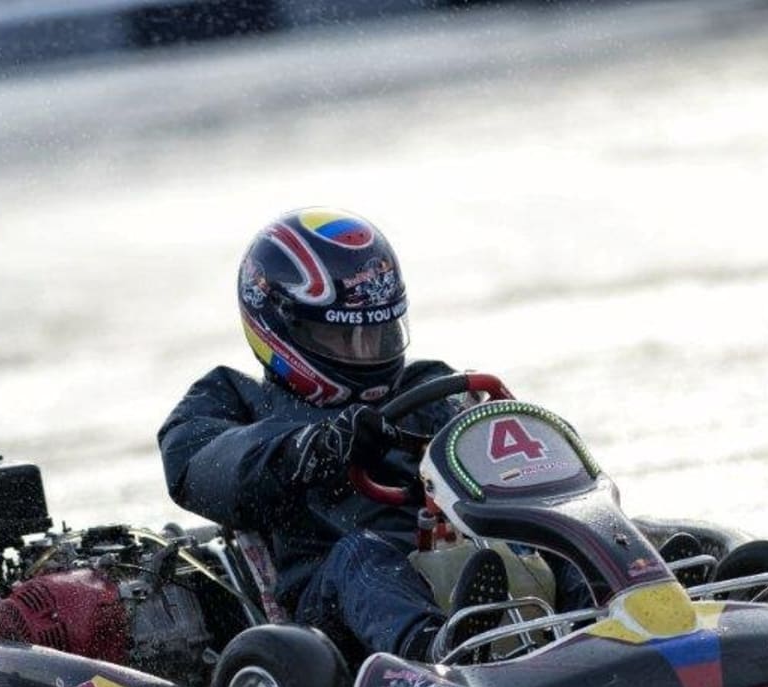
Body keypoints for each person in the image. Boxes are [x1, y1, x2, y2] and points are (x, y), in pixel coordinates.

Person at [156, 207, 510, 663]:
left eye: (378, 333)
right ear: (282, 329)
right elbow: (201, 466)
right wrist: (312, 447)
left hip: (453, 564)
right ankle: (436, 653)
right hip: (328, 612)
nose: (365, 350)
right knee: (362, 556)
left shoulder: (427, 386)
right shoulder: (232, 399)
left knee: (547, 527)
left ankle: (598, 611)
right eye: (342, 337)